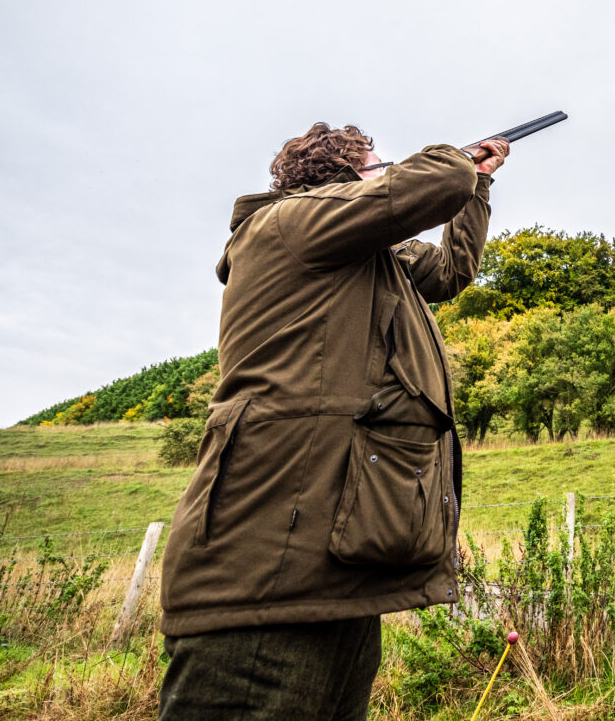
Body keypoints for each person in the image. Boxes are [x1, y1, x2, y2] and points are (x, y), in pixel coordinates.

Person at [158, 124, 510, 721]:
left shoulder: (372, 256)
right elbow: (435, 179)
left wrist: (478, 184)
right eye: (379, 164)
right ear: (338, 176)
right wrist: (457, 161)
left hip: (336, 568)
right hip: (266, 574)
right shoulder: (289, 223)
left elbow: (451, 270)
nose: (389, 171)